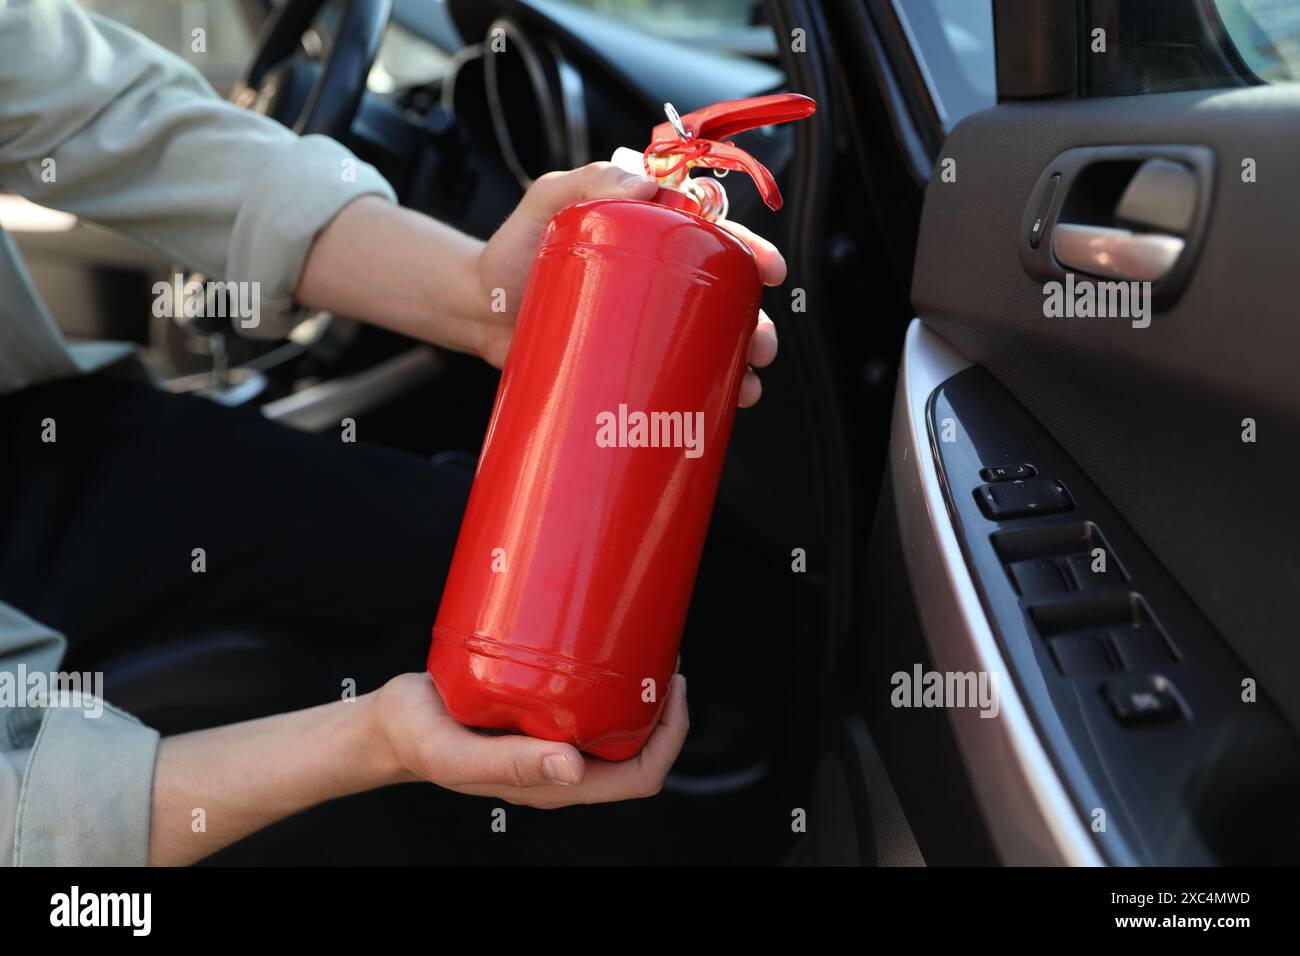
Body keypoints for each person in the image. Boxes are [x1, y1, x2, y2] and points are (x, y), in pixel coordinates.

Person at [0, 0, 786, 866]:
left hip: (47, 442)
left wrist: (478, 295)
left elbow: (100, 110)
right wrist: (372, 742)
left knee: (440, 537)